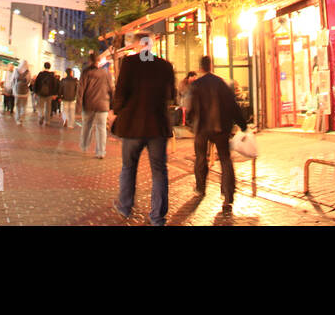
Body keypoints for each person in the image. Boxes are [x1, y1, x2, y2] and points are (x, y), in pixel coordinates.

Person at [111, 34, 176, 226]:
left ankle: (125, 206)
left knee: (128, 167)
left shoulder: (129, 64)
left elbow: (121, 92)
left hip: (133, 125)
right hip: (157, 125)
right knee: (159, 171)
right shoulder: (165, 65)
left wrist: (115, 112)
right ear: (151, 45)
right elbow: (171, 95)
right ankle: (157, 217)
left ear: (138, 45)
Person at [188, 56, 247, 211]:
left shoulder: (196, 85)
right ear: (211, 65)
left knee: (201, 158)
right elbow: (232, 106)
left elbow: (191, 109)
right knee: (225, 160)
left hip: (202, 128)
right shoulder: (221, 83)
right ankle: (228, 196)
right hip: (220, 128)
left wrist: (190, 122)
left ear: (201, 68)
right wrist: (242, 124)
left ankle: (200, 188)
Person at [79, 53, 112, 158]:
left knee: (86, 126)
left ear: (89, 61)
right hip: (103, 105)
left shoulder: (85, 73)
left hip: (88, 104)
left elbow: (81, 90)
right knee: (101, 128)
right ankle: (101, 152)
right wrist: (113, 105)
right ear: (98, 61)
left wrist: (78, 107)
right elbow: (111, 89)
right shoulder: (105, 73)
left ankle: (84, 146)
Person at [33, 62, 60, 126]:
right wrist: (54, 94)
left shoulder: (40, 74)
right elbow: (55, 85)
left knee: (40, 106)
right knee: (48, 107)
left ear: (44, 66)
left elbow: (36, 83)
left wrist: (35, 92)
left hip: (40, 93)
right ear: (49, 67)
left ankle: (41, 115)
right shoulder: (52, 75)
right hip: (49, 94)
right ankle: (47, 121)